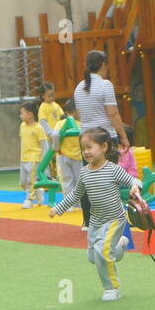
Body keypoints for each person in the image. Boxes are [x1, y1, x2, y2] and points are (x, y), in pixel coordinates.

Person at [50, 128, 140, 301]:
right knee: (93, 257)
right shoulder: (84, 173)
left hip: (115, 219)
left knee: (103, 252)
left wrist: (135, 187)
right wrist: (58, 208)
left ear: (104, 146)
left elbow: (133, 181)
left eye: (90, 147)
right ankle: (119, 246)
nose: (86, 152)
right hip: (96, 222)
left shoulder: (113, 169)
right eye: (83, 148)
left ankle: (112, 287)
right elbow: (75, 194)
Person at [74, 50, 130, 220]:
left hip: (85, 137)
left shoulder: (79, 87)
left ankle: (88, 219)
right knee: (109, 177)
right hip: (104, 137)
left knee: (88, 178)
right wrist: (123, 136)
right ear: (104, 65)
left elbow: (79, 113)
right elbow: (112, 113)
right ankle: (111, 215)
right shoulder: (105, 85)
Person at [55, 101, 82, 200]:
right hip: (78, 156)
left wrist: (56, 148)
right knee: (79, 181)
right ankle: (80, 204)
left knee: (67, 181)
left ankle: (69, 204)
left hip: (63, 155)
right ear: (76, 111)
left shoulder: (60, 124)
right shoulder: (80, 124)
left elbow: (55, 135)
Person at [19, 100, 43, 209]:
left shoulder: (38, 128)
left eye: (22, 113)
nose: (20, 115)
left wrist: (43, 160)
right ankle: (38, 190)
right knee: (23, 182)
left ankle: (30, 199)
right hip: (23, 158)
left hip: (34, 158)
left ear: (30, 114)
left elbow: (43, 144)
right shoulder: (22, 126)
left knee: (31, 180)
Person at [37, 83, 66, 161]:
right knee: (50, 156)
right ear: (43, 96)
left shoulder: (56, 105)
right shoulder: (43, 107)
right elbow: (43, 122)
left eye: (53, 95)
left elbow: (62, 117)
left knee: (58, 155)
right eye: (49, 96)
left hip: (57, 135)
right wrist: (51, 133)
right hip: (49, 138)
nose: (51, 97)